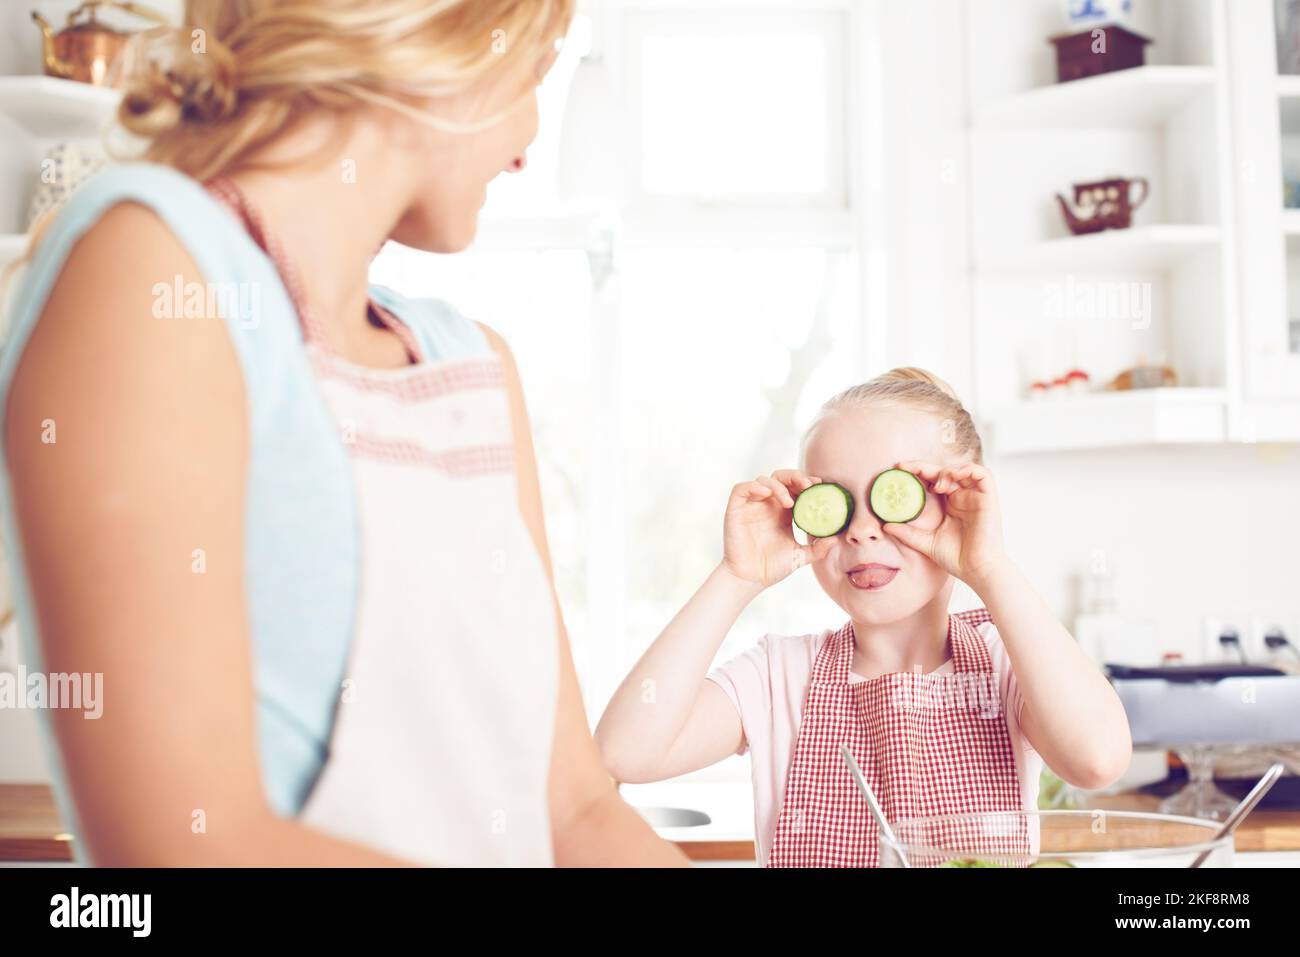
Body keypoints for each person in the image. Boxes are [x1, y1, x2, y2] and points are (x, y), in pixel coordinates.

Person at [0, 0, 686, 867]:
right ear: (441, 34)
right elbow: (186, 850)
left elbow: (577, 808)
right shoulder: (154, 274)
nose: (527, 142)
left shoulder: (471, 366)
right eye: (534, 73)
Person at [596, 368, 1132, 866]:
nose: (860, 531)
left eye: (895, 496)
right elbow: (625, 754)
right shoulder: (778, 676)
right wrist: (737, 576)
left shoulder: (1007, 662)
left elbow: (1098, 759)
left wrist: (988, 565)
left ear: (959, 503)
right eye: (835, 502)